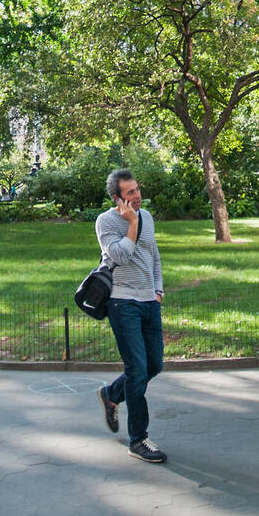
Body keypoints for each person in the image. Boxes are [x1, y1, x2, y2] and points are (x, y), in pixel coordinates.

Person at [95, 168, 166, 464]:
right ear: (117, 198)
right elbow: (121, 255)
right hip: (123, 304)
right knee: (137, 368)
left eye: (137, 190)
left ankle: (111, 394)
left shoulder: (146, 216)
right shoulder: (106, 222)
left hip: (149, 301)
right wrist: (132, 222)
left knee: (154, 364)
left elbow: (154, 255)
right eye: (130, 193)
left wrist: (158, 289)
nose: (137, 196)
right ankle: (138, 439)